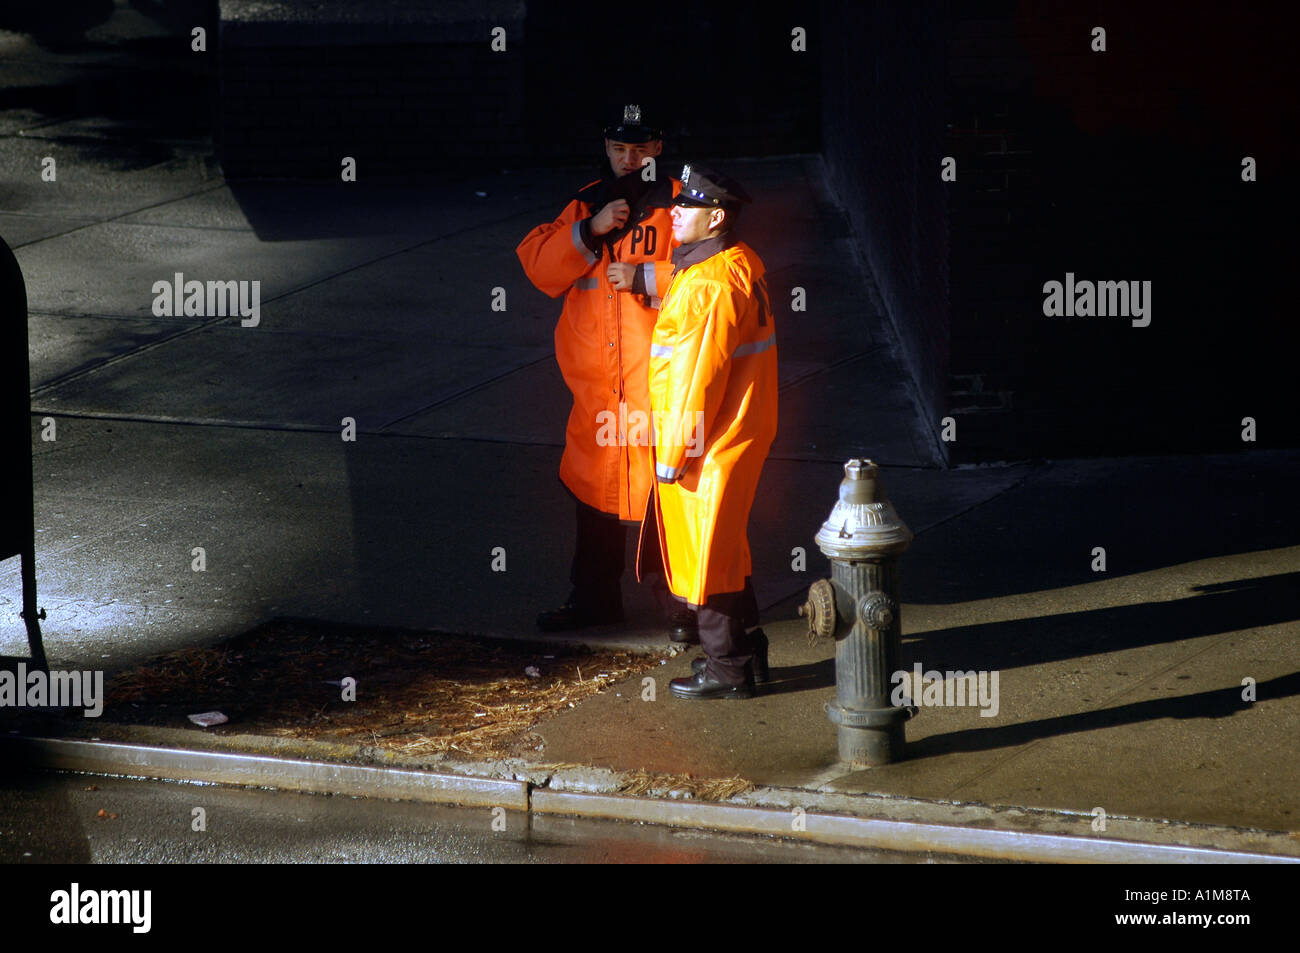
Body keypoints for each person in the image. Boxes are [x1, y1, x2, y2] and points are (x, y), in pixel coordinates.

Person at [517, 106, 697, 640]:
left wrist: (647, 274)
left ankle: (682, 607)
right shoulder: (586, 202)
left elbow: (713, 273)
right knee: (594, 498)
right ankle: (595, 601)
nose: (629, 158)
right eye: (619, 149)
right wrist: (589, 231)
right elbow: (540, 268)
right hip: (597, 391)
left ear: (658, 149)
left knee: (664, 498)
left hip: (655, 390)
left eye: (640, 150)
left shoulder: (681, 206)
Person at [637, 164, 778, 699]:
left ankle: (727, 669)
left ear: (715, 217)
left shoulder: (707, 285)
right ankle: (749, 653)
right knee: (726, 547)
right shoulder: (739, 262)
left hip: (708, 441)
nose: (673, 210)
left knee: (707, 555)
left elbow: (693, 382)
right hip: (737, 430)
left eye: (687, 206)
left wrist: (672, 457)